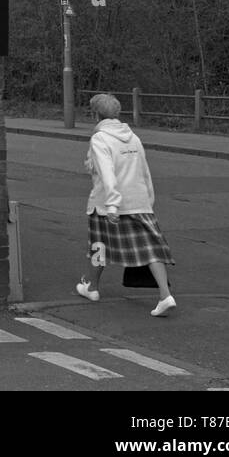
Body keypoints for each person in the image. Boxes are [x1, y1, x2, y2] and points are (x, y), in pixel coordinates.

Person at [76, 93, 176, 316]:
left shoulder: (100, 139)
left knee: (98, 246)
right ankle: (164, 295)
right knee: (150, 249)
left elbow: (107, 172)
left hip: (106, 204)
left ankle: (92, 287)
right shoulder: (133, 138)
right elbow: (144, 171)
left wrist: (112, 204)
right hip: (138, 201)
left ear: (95, 114)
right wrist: (148, 200)